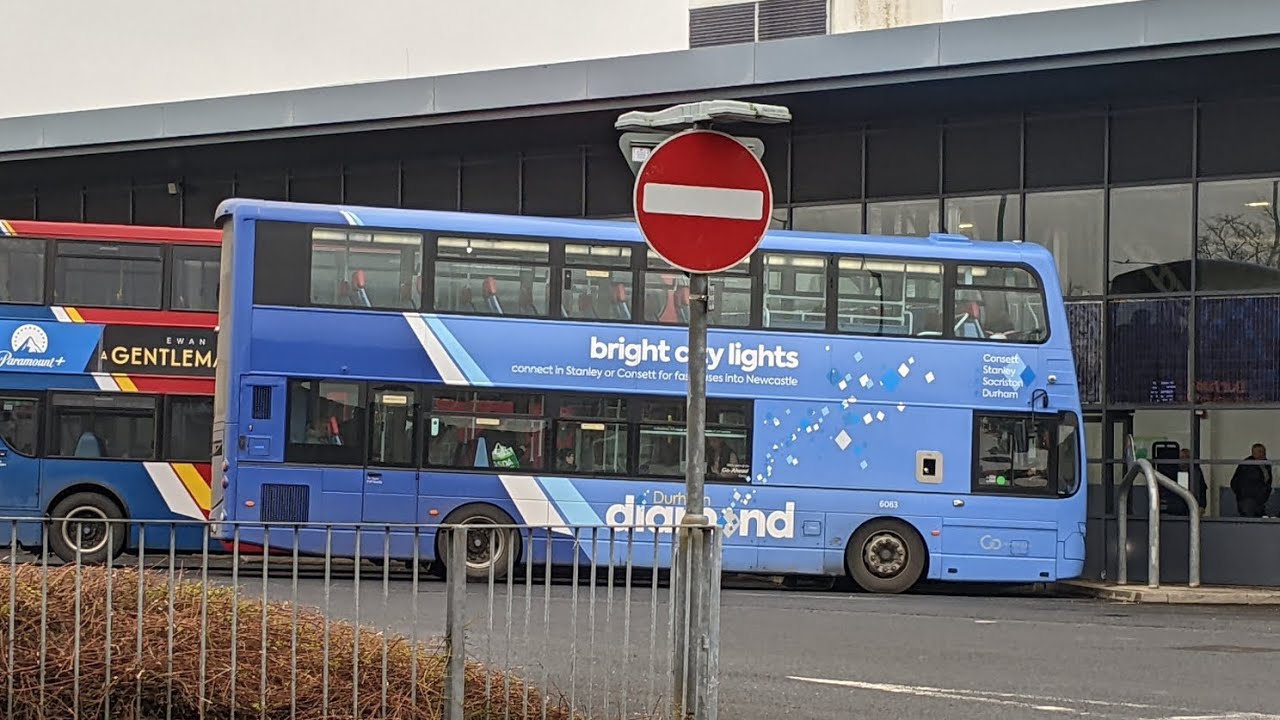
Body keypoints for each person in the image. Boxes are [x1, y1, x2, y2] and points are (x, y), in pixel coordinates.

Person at [1230, 443, 1272, 518]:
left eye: (1262, 452)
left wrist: (1266, 492)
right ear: (1253, 453)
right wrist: (1243, 496)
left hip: (1260, 501)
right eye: (1258, 452)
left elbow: (1267, 481)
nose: (1261, 454)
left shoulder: (1266, 464)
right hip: (1247, 501)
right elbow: (1235, 483)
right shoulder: (1247, 464)